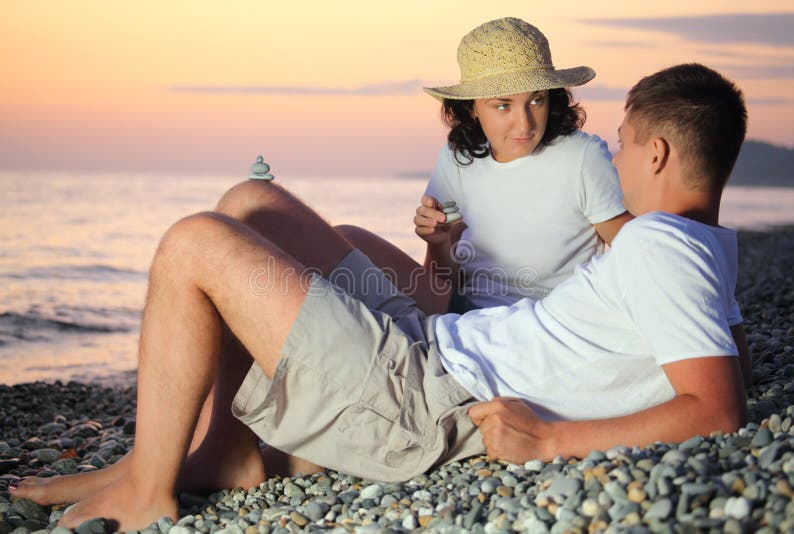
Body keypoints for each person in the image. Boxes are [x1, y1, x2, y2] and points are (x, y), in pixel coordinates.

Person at [13, 63, 751, 532]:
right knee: (252, 202)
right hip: (433, 350)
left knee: (193, 244)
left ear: (656, 153)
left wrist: (554, 439)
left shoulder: (662, 244)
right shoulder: (702, 250)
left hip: (423, 397)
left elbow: (717, 407)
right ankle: (226, 451)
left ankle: (149, 487)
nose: (613, 156)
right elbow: (723, 364)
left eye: (623, 143)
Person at [336, 17, 632, 314]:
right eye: (503, 105)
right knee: (342, 239)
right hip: (463, 318)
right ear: (472, 108)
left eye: (536, 101)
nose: (524, 123)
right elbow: (441, 283)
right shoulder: (457, 158)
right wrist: (438, 242)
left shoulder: (581, 157)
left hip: (545, 326)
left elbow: (638, 254)